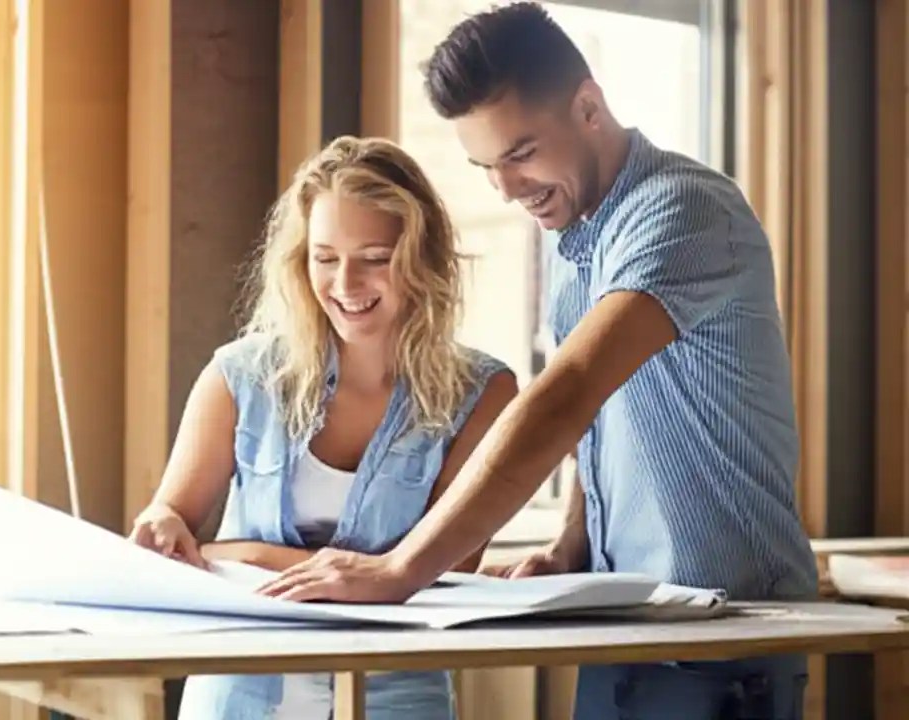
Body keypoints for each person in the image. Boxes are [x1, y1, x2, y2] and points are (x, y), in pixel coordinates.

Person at [256, 4, 819, 719]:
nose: (507, 189)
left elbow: (570, 391)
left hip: (729, 639)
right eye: (486, 166)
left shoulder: (684, 211)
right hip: (630, 631)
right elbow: (605, 417)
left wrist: (400, 569)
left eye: (520, 154)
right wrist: (570, 542)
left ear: (589, 106)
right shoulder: (570, 237)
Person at [128, 135, 518, 719]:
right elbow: (176, 539)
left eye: (375, 258)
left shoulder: (483, 394)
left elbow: (449, 569)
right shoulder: (239, 377)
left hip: (398, 699)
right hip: (240, 694)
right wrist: (161, 526)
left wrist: (247, 556)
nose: (345, 284)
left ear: (421, 257)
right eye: (326, 257)